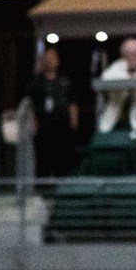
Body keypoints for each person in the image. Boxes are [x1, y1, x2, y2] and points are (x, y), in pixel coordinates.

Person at [27, 47, 80, 177]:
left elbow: (72, 104)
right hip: (43, 126)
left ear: (57, 61)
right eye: (47, 59)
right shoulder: (36, 82)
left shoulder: (65, 81)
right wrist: (33, 124)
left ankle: (62, 189)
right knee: (43, 160)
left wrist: (73, 125)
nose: (49, 62)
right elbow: (30, 105)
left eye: (52, 59)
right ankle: (42, 190)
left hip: (62, 126)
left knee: (62, 159)